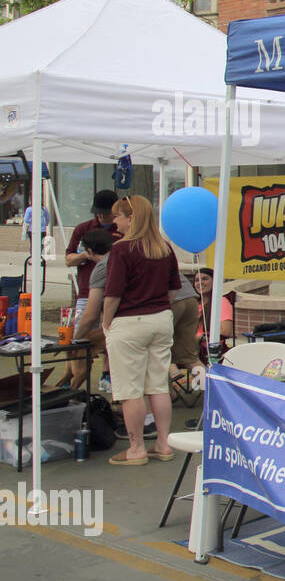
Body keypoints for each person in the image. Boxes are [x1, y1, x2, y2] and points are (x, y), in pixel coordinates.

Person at [101, 196, 182, 465]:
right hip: (160, 317)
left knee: (130, 390)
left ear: (131, 218)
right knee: (158, 385)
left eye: (118, 216)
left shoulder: (121, 250)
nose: (115, 221)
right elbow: (173, 289)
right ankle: (163, 443)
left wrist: (106, 321)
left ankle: (136, 448)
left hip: (129, 321)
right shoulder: (164, 248)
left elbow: (112, 293)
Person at [56, 190, 122, 386]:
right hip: (87, 290)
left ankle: (107, 374)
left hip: (114, 292)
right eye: (97, 212)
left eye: (106, 212)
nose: (101, 216)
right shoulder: (83, 229)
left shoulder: (122, 231)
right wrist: (85, 255)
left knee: (111, 335)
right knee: (80, 336)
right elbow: (68, 259)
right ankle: (71, 378)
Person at [66, 228, 114, 390]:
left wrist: (74, 341)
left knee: (79, 367)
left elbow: (90, 315)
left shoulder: (100, 269)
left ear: (89, 251)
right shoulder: (120, 260)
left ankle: (69, 391)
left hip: (118, 327)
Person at [193, 267, 235, 358]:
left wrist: (200, 338)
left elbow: (226, 331)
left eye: (205, 279)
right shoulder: (194, 303)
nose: (200, 283)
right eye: (197, 280)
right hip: (190, 347)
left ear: (214, 281)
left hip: (209, 350)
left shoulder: (221, 301)